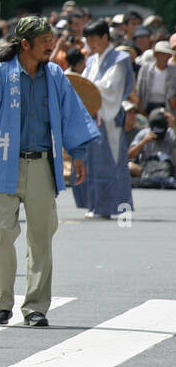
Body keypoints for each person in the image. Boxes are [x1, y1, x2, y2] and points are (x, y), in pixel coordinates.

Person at [0, 16, 99, 327]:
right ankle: (1, 303)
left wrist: (77, 154)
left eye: (51, 38)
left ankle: (36, 306)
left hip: (41, 164)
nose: (51, 44)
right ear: (25, 44)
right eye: (44, 40)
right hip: (2, 161)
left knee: (41, 236)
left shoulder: (55, 76)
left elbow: (72, 114)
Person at [72, 19, 134, 218]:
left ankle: (107, 206)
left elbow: (110, 87)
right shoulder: (91, 60)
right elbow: (88, 84)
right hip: (91, 116)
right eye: (87, 38)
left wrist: (88, 88)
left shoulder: (119, 59)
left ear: (104, 37)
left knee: (107, 162)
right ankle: (93, 204)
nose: (90, 42)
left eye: (93, 37)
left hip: (108, 118)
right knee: (90, 161)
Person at [128, 108, 176, 189]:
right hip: (146, 170)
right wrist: (143, 142)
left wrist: (174, 125)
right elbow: (130, 155)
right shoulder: (143, 133)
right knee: (128, 165)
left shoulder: (171, 133)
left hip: (168, 170)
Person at [135, 41, 176, 114]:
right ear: (156, 55)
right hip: (148, 105)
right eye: (162, 54)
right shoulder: (145, 70)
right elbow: (139, 91)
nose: (164, 57)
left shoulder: (174, 72)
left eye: (167, 55)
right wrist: (140, 109)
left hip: (167, 107)